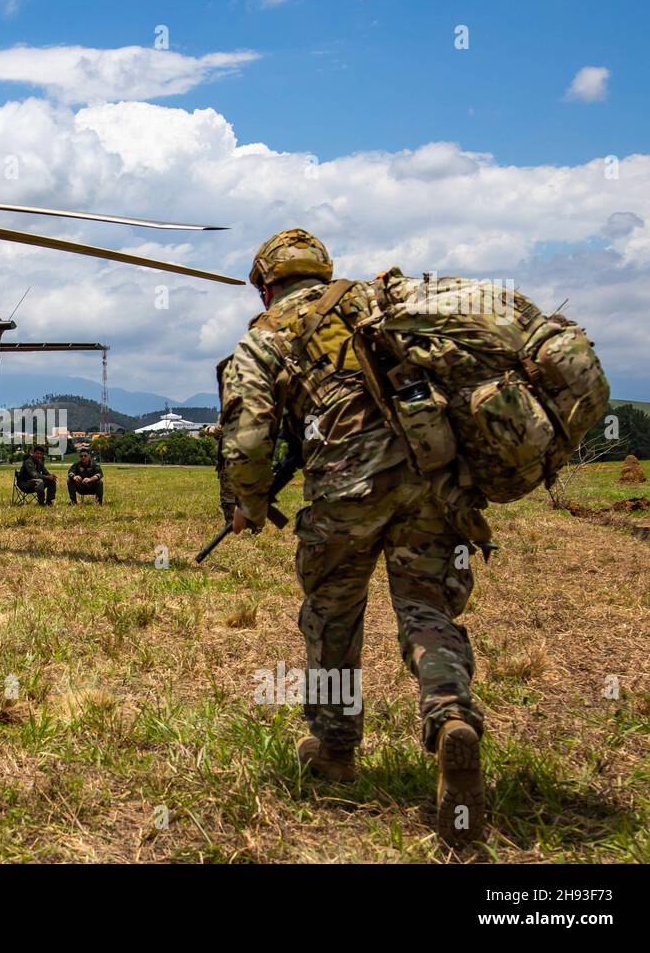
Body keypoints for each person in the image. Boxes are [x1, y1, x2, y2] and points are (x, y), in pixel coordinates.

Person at [217, 227, 487, 847]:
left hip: (346, 492)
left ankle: (337, 750)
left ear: (265, 285)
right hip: (433, 477)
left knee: (333, 616)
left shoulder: (264, 338)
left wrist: (249, 504)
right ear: (324, 271)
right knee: (426, 609)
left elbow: (249, 433)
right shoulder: (378, 305)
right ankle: (450, 719)